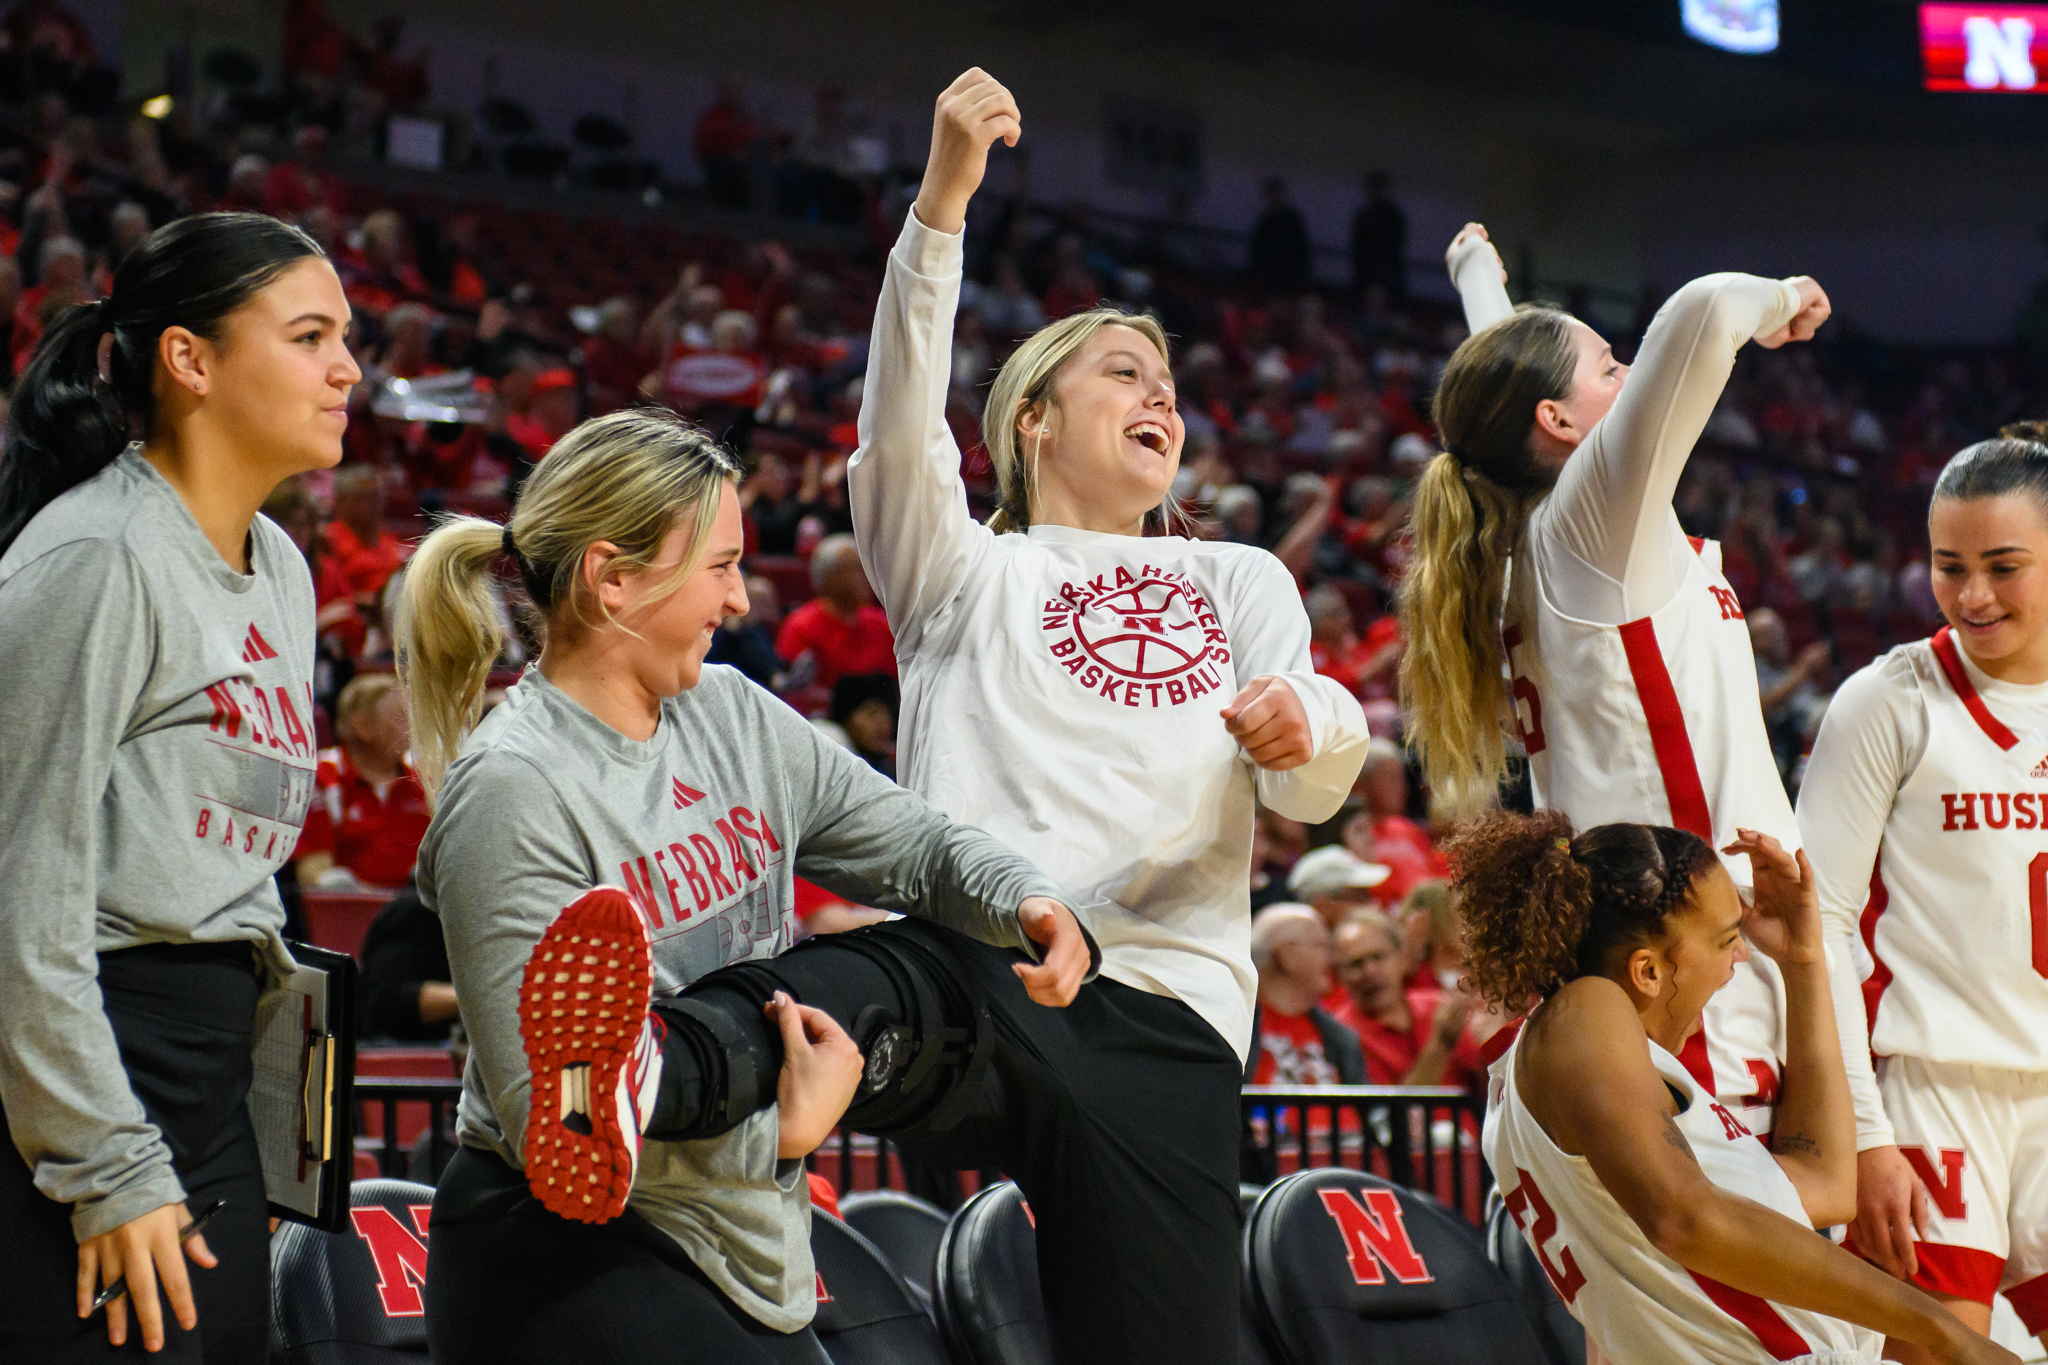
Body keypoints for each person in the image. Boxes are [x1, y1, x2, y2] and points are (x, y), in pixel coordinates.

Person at [523, 68, 1369, 1365]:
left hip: (1172, 1016)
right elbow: (898, 437)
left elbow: (1317, 763)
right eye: (1124, 371)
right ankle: (619, 1085)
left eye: (1170, 385)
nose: (1163, 398)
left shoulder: (1236, 576)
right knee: (826, 993)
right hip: (991, 959)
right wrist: (940, 210)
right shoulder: (966, 568)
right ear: (1031, 416)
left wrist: (1300, 723)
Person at [399, 406, 1091, 1365]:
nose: (741, 601)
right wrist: (782, 1130)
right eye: (719, 566)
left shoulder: (732, 710)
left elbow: (914, 845)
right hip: (564, 1248)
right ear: (612, 579)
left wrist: (1023, 898)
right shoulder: (514, 788)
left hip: (739, 1216)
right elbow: (553, 1117)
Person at [1405, 221, 1885, 1159]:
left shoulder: (1531, 540)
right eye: (1609, 367)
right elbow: (1707, 308)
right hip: (1699, 972)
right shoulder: (1590, 528)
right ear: (1558, 424)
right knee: (1757, 1293)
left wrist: (1476, 277)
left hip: (1651, 957)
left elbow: (1506, 377)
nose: (1629, 381)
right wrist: (1783, 300)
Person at [0, 212, 357, 1361]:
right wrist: (102, 1159)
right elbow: (19, 895)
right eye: (309, 336)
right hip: (84, 1075)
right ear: (189, 360)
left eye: (345, 336)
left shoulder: (284, 567)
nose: (348, 367)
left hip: (211, 1088)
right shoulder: (97, 557)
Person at [1467, 813, 2017, 1365]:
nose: (1741, 957)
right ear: (1648, 971)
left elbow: (1825, 1187)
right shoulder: (1584, 1012)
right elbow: (1686, 1220)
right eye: (1727, 939)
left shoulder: (1571, 1072)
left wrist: (1803, 964)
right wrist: (1941, 1331)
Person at [1797, 428, 2048, 1362]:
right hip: (1931, 1092)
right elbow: (1816, 919)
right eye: (1951, 567)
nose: (1974, 594)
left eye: (2003, 566)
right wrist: (1860, 1136)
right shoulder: (1889, 699)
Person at [293, 672, 431, 890]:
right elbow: (313, 872)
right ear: (362, 725)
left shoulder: (423, 779)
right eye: (401, 717)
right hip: (352, 911)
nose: (412, 727)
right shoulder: (323, 775)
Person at [1328, 907, 1479, 1087]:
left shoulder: (1440, 1007)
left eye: (1378, 957)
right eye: (1356, 964)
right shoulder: (1341, 1035)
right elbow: (1394, 1113)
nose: (1370, 971)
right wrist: (1441, 1043)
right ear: (1340, 976)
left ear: (1401, 958)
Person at [1245, 903, 1366, 1086]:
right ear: (1286, 956)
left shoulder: (1342, 1038)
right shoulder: (1235, 1033)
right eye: (1321, 946)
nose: (1332, 959)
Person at [773, 532, 895, 687]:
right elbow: (796, 694)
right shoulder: (801, 627)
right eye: (854, 570)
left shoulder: (881, 623)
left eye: (864, 569)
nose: (865, 577)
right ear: (828, 578)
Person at [1348, 170, 1407, 303]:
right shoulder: (1364, 216)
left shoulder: (1393, 216)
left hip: (1387, 273)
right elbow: (1358, 245)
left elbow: (1397, 244)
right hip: (1366, 273)